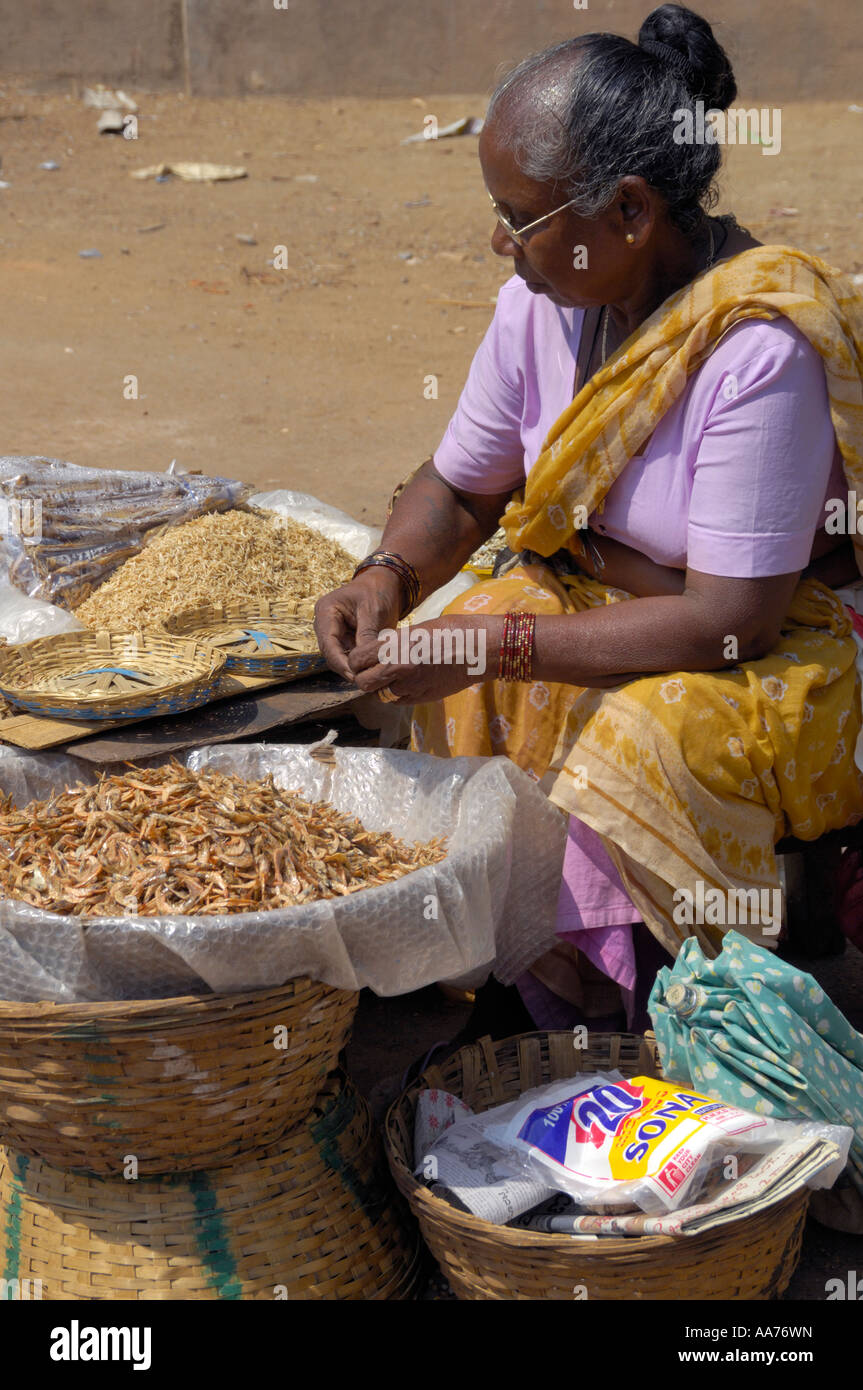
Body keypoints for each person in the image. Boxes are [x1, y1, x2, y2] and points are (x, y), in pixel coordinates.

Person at [315, 4, 863, 1037]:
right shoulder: (542, 300)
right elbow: (465, 488)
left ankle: (653, 1007)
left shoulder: (756, 345)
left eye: (518, 217)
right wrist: (383, 573)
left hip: (769, 650)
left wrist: (496, 643)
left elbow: (724, 621)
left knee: (636, 741)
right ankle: (522, 982)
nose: (498, 240)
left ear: (626, 212)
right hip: (610, 600)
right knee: (468, 647)